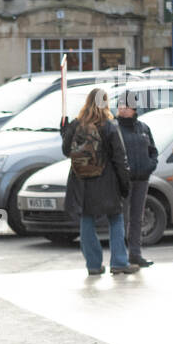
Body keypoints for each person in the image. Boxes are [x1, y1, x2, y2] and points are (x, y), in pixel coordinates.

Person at [62, 88, 135, 276]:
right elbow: (120, 158)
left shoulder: (77, 125)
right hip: (107, 181)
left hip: (82, 183)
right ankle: (119, 262)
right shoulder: (109, 126)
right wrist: (125, 184)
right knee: (116, 220)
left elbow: (66, 151)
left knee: (86, 222)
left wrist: (64, 130)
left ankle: (93, 265)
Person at [115, 90, 158, 267]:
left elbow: (152, 151)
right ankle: (120, 256)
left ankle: (135, 254)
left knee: (137, 217)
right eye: (120, 105)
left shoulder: (143, 128)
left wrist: (150, 165)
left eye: (127, 106)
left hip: (142, 179)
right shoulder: (114, 128)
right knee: (121, 218)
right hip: (122, 181)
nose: (123, 109)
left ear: (134, 108)